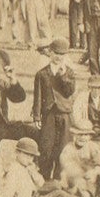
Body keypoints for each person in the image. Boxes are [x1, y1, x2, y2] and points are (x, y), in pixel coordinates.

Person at [32, 40, 78, 180]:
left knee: (64, 148)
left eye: (62, 54)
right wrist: (37, 116)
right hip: (49, 114)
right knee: (46, 147)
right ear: (50, 53)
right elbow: (38, 96)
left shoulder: (69, 72)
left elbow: (69, 92)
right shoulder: (41, 73)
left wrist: (63, 75)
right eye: (56, 53)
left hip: (65, 114)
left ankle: (59, 181)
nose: (59, 57)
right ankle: (44, 179)